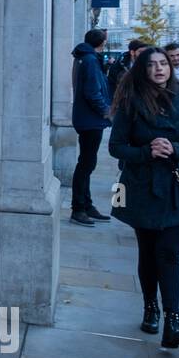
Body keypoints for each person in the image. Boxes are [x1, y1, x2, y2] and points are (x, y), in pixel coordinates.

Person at [109, 47, 179, 349]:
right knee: (148, 251)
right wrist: (146, 151)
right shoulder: (131, 101)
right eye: (151, 65)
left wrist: (175, 149)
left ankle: (173, 322)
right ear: (142, 70)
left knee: (168, 252)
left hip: (177, 187)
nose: (159, 69)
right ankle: (150, 307)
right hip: (142, 187)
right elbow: (116, 146)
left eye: (163, 63)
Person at [70, 29, 112, 226]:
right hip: (90, 119)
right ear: (102, 42)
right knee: (86, 165)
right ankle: (79, 208)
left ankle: (86, 205)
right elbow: (92, 91)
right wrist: (105, 111)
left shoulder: (85, 58)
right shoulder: (90, 60)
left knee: (87, 164)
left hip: (88, 118)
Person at [108, 39, 148, 106]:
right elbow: (111, 89)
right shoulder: (117, 68)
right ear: (132, 52)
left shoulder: (149, 66)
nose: (144, 55)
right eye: (141, 52)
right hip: (123, 105)